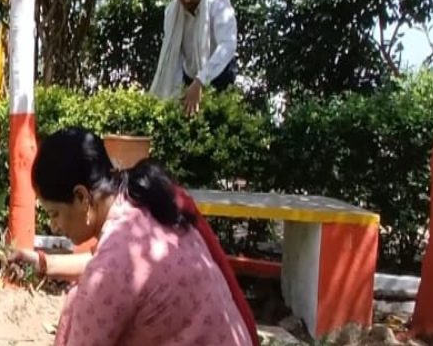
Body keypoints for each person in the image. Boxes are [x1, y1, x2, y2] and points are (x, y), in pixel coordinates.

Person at [26, 127, 259, 346]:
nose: (54, 226)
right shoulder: (145, 202)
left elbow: (111, 273)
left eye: (54, 213)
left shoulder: (110, 269)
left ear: (81, 197)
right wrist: (43, 262)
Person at [149, 0, 239, 116]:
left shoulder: (218, 1)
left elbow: (228, 44)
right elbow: (174, 58)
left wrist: (201, 81)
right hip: (190, 78)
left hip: (220, 75)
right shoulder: (171, 12)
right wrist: (173, 96)